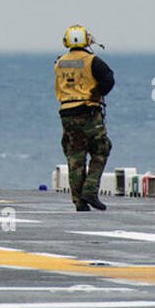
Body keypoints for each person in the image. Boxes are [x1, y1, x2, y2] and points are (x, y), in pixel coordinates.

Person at [55, 25, 114, 212]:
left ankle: (78, 201)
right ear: (87, 40)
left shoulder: (60, 63)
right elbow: (108, 80)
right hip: (88, 112)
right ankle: (90, 189)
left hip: (67, 114)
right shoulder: (93, 61)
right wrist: (98, 92)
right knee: (101, 149)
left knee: (75, 157)